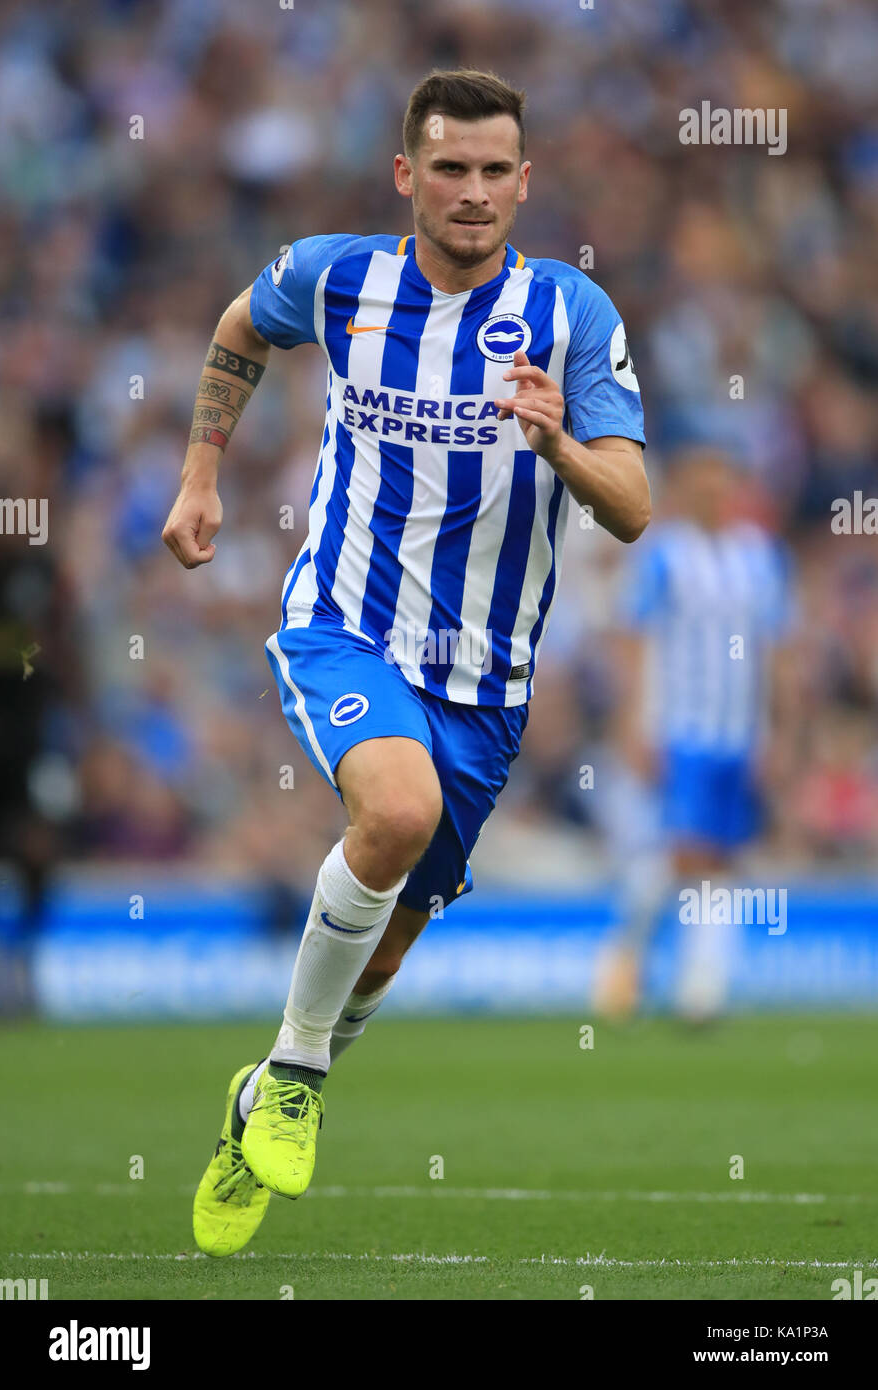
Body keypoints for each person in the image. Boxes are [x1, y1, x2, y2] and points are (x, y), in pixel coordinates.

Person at [161, 67, 649, 1257]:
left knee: (393, 924)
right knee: (392, 806)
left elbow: (633, 505)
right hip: (347, 622)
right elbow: (239, 327)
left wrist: (563, 442)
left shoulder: (574, 315)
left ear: (525, 183)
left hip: (486, 681)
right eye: (450, 168)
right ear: (406, 176)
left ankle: (278, 1089)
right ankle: (287, 1072)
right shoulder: (337, 275)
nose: (472, 193)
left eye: (494, 172)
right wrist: (199, 473)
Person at [592, 447, 796, 1021]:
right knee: (687, 851)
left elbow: (778, 652)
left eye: (722, 480)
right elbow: (634, 642)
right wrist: (633, 724)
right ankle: (635, 958)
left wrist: (779, 734)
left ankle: (698, 986)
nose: (713, 491)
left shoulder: (762, 559)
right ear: (683, 489)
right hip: (679, 727)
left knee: (722, 857)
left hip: (740, 732)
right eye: (701, 480)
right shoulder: (664, 558)